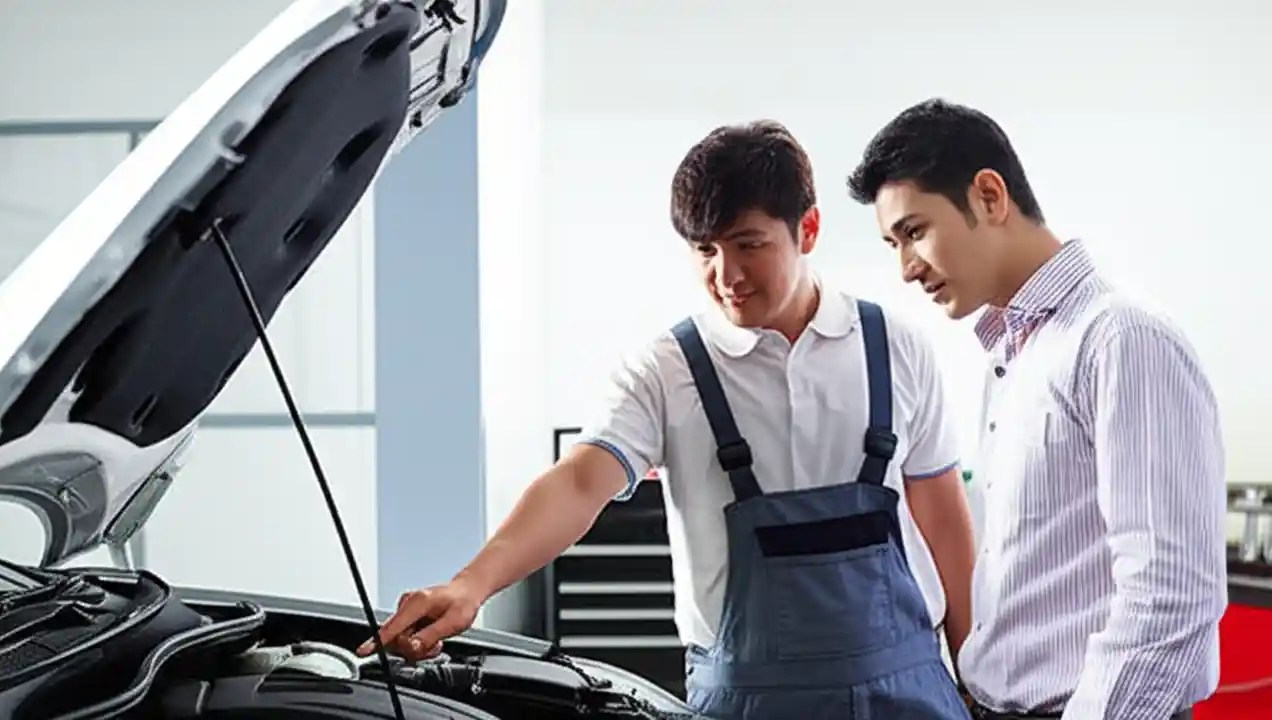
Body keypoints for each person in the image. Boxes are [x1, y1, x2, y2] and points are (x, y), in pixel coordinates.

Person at [358, 119, 978, 718]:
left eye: (748, 245)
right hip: (749, 700)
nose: (726, 275)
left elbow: (943, 520)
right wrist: (471, 585)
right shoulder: (667, 370)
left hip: (909, 690)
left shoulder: (895, 347)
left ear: (808, 230)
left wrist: (976, 677)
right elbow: (579, 482)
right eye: (704, 250)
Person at [846, 98, 1227, 720]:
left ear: (990, 196)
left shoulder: (1121, 339)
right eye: (893, 242)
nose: (906, 269)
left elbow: (1171, 595)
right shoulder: (1015, 354)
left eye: (915, 232)